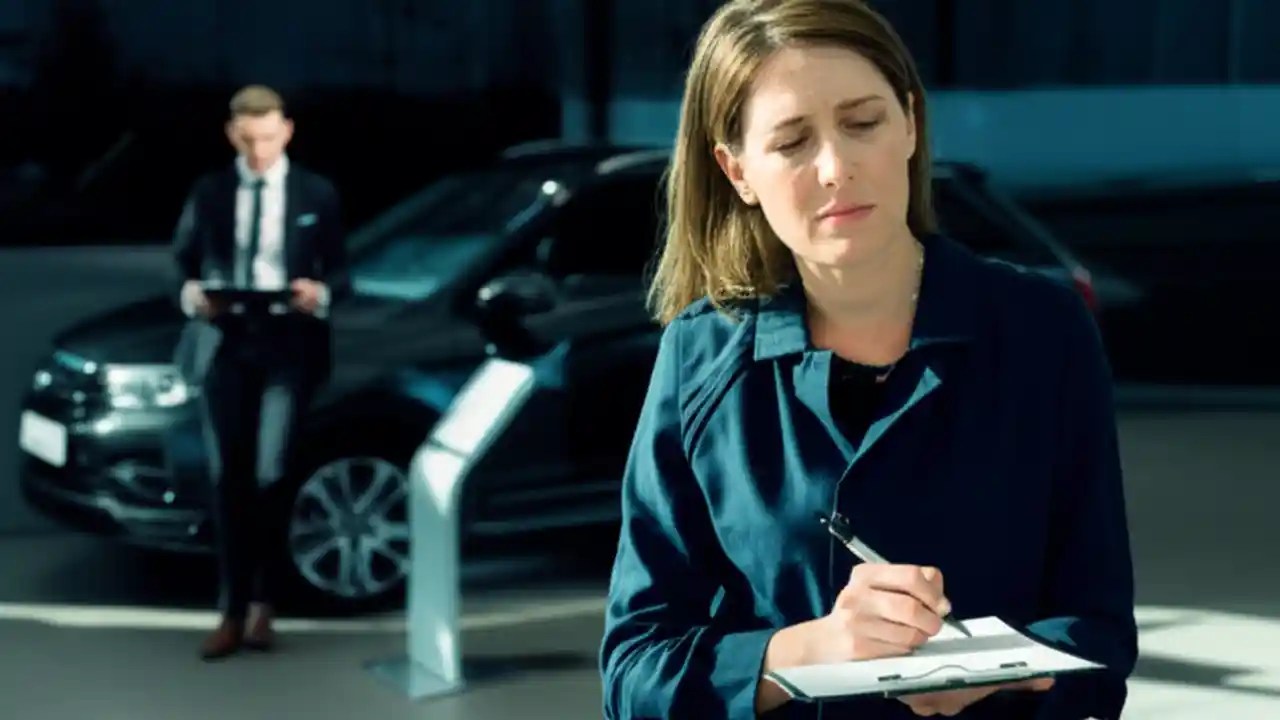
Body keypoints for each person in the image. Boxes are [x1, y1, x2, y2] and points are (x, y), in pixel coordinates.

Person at [599, 1, 1137, 718]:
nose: (835, 167)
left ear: (910, 124)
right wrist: (802, 653)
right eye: (791, 141)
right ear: (737, 172)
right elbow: (634, 671)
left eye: (863, 123)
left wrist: (996, 674)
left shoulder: (1042, 330)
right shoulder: (699, 357)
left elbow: (1098, 635)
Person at [171, 84, 346, 660]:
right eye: (248, 139)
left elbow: (344, 272)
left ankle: (265, 606)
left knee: (271, 476)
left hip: (287, 344)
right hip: (227, 341)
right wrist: (196, 297)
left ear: (286, 131)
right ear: (232, 135)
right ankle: (229, 611)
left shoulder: (316, 190)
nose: (260, 149)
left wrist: (318, 293)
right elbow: (184, 263)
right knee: (227, 482)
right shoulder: (211, 191)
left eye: (268, 137)